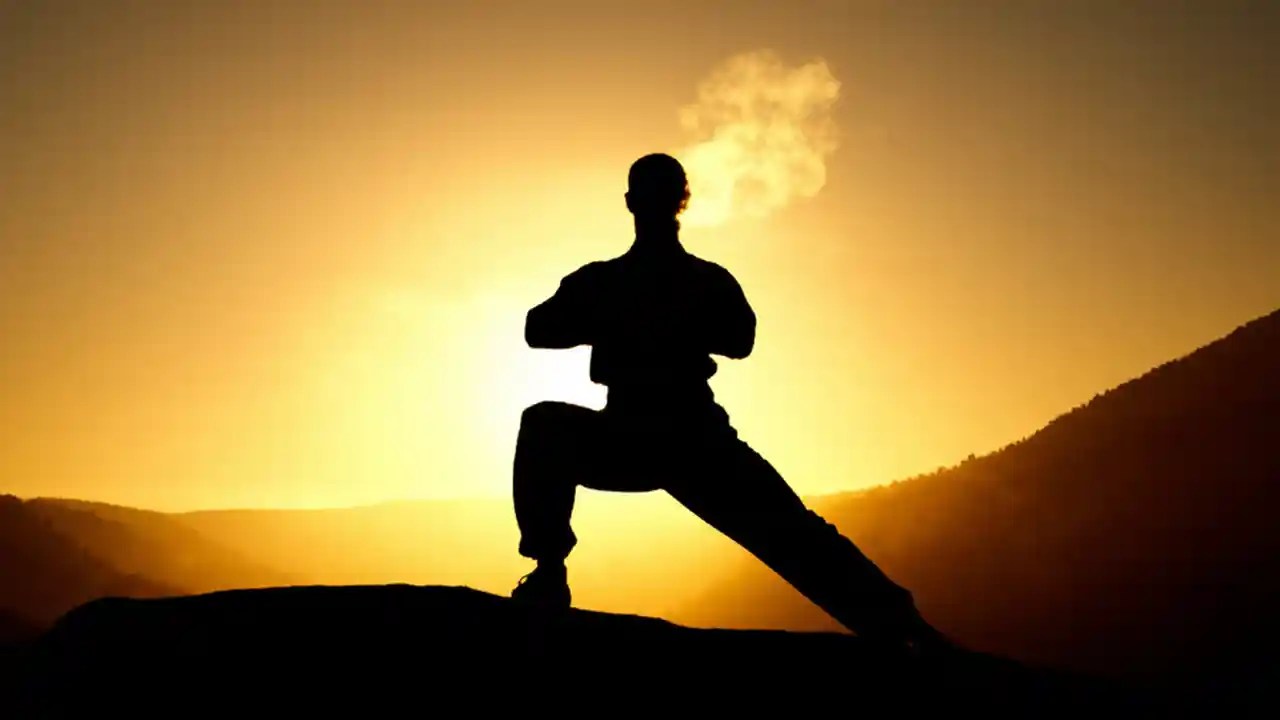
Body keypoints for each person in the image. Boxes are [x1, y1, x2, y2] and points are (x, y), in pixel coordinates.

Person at [510, 153, 948, 652]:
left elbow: (740, 339)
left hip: (690, 438)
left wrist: (639, 318)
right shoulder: (623, 280)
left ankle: (902, 626)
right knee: (544, 425)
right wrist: (614, 315)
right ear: (679, 201)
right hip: (642, 433)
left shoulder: (662, 280)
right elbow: (537, 329)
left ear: (640, 202)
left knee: (792, 531)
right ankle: (549, 571)